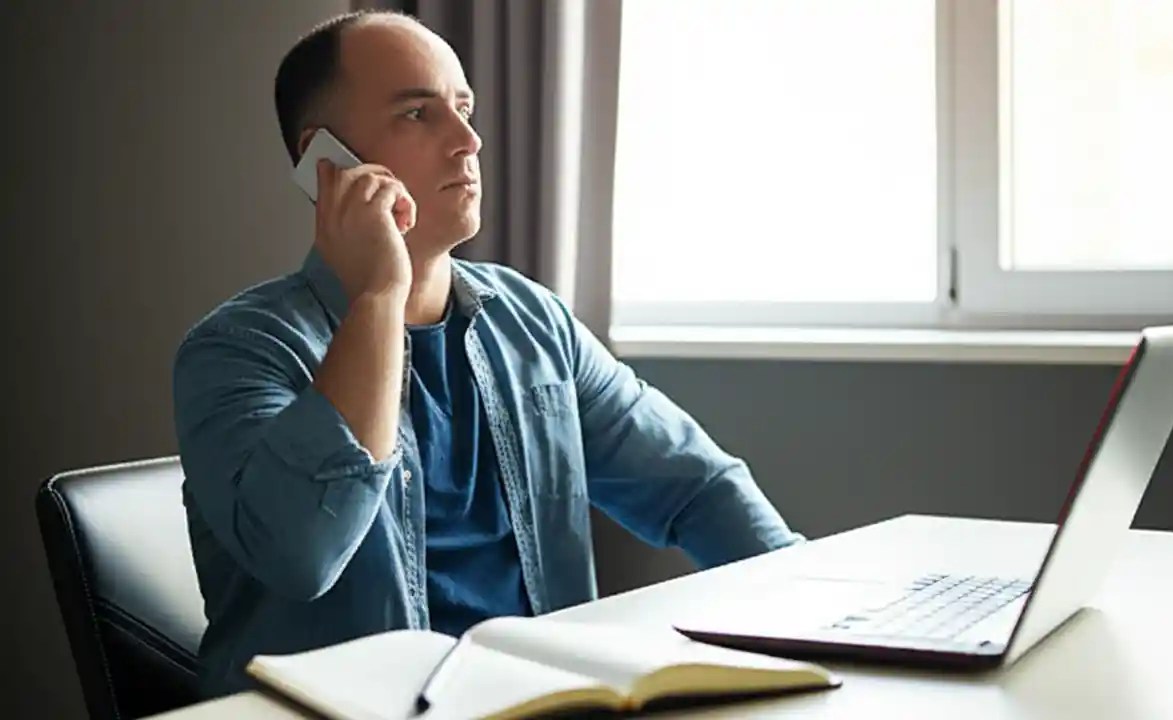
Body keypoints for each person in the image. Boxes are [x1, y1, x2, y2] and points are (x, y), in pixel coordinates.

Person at [172, 9, 802, 698]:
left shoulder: (532, 322)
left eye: (464, 109)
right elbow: (303, 555)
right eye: (418, 114)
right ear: (326, 163)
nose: (468, 140)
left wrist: (812, 624)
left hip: (542, 702)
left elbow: (698, 487)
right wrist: (380, 297)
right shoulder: (236, 351)